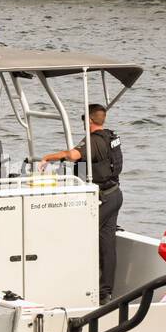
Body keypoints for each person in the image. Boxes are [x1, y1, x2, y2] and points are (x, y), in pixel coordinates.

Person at [40, 103, 124, 302]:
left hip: (103, 198)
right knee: (106, 244)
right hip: (115, 194)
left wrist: (47, 158)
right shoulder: (112, 136)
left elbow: (72, 156)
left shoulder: (93, 142)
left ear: (89, 120)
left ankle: (77, 286)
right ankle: (105, 292)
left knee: (79, 235)